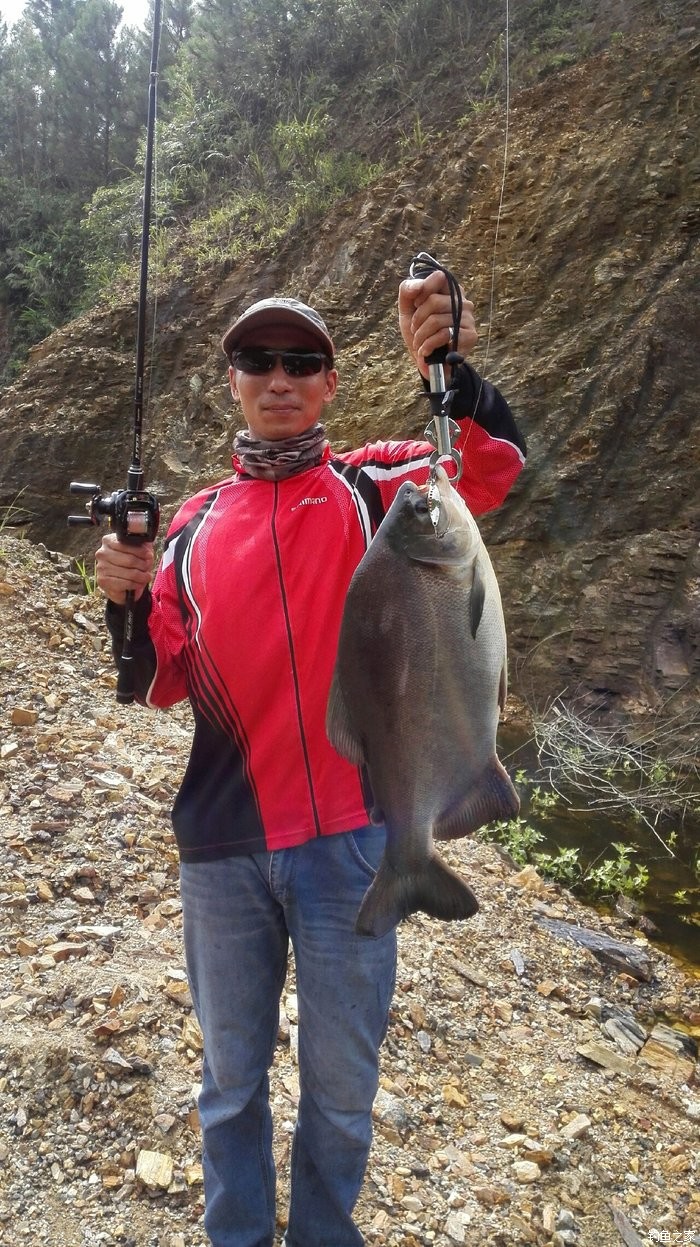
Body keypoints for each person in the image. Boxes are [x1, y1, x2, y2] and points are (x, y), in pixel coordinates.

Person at [95, 268, 526, 1247]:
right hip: (221, 850)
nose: (278, 376)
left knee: (339, 1092)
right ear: (233, 381)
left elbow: (491, 465)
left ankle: (326, 1233)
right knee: (228, 1084)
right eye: (258, 359)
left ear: (330, 383)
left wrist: (449, 365)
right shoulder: (191, 529)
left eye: (301, 361)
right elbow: (154, 679)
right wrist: (120, 598)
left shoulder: (382, 486)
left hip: (350, 845)